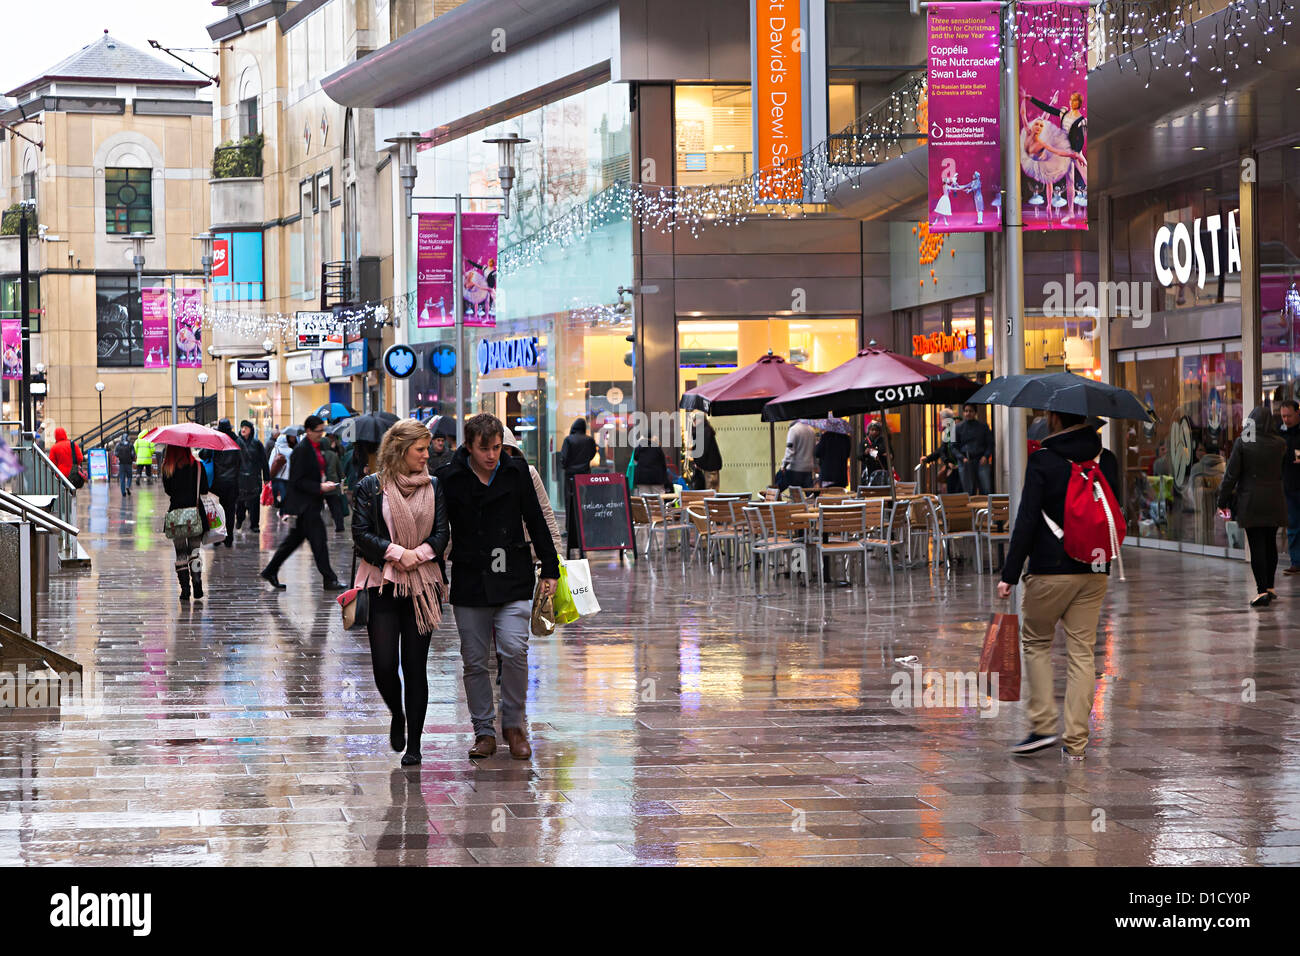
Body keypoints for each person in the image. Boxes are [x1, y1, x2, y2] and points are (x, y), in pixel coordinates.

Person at [435, 413, 559, 761]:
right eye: (485, 448)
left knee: (514, 649)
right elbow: (440, 529)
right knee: (474, 660)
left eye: (497, 447)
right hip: (471, 578)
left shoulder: (517, 472)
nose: (492, 455)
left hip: (513, 575)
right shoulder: (449, 477)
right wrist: (437, 574)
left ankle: (515, 726)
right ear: (469, 446)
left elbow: (536, 519)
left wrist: (551, 568)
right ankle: (484, 731)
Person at [997, 411, 1119, 760]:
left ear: (1054, 418)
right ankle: (1076, 743)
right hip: (1095, 567)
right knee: (1082, 652)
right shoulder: (1105, 460)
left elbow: (1027, 519)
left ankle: (1043, 725)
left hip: (1049, 570)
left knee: (1036, 642)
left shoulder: (1042, 461)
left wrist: (1009, 574)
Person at [352, 420, 448, 766]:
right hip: (382, 584)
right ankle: (397, 712)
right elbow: (360, 534)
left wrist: (416, 556)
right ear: (399, 450)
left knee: (415, 667)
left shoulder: (435, 486)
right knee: (384, 667)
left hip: (423, 586)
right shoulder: (371, 487)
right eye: (420, 449)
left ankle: (415, 745)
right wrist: (397, 553)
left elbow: (441, 534)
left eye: (427, 448)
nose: (427, 455)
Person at [260, 416, 344, 591]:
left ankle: (270, 570)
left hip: (311, 503)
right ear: (308, 431)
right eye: (318, 431)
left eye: (322, 430)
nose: (321, 434)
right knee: (318, 542)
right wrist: (319, 486)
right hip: (305, 505)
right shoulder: (302, 450)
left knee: (294, 541)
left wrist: (322, 484)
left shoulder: (316, 448)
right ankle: (329, 579)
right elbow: (297, 480)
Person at [1217, 405, 1287, 607]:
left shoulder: (1243, 443)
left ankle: (1261, 591)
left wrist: (1222, 500)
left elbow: (1231, 475)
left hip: (1252, 499)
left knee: (1256, 545)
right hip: (1275, 498)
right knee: (1270, 542)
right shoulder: (1280, 444)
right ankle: (1271, 586)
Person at [503, 426, 562, 557]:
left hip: (529, 555)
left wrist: (556, 554)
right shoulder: (481, 479)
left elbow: (546, 513)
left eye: (505, 449)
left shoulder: (528, 474)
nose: (500, 454)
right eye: (495, 448)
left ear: (513, 450)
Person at [162, 443, 209, 601]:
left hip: (176, 516)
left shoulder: (168, 467)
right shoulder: (197, 466)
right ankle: (197, 583)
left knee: (181, 553)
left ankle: (185, 590)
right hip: (195, 514)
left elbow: (168, 491)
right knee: (195, 552)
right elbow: (204, 489)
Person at [200, 419, 241, 550]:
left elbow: (202, 454)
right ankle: (229, 538)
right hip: (232, 482)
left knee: (217, 510)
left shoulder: (215, 440)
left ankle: (217, 537)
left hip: (217, 483)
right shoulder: (236, 441)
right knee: (230, 510)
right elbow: (242, 461)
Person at [559, 418, 597, 558]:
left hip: (570, 475)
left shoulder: (569, 440)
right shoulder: (589, 440)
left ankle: (570, 529)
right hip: (585, 475)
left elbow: (564, 457)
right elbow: (593, 453)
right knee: (584, 501)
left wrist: (566, 466)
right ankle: (584, 528)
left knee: (570, 503)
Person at [235, 420, 271, 533]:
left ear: (251, 430)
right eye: (242, 427)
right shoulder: (236, 442)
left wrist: (266, 477)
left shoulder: (257, 444)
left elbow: (264, 461)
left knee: (255, 502)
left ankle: (254, 524)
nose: (243, 429)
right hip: (240, 478)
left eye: (246, 427)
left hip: (254, 477)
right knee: (240, 502)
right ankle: (240, 519)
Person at [1279, 400, 1300, 574]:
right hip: (1289, 485)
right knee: (1292, 525)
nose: (1286, 419)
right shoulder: (1280, 433)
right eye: (1283, 416)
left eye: (1289, 416)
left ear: (1297, 413)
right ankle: (1296, 562)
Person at [920, 408, 962, 493]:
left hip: (955, 466)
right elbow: (942, 449)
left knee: (954, 492)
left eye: (941, 419)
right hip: (954, 465)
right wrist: (928, 458)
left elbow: (945, 450)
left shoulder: (951, 430)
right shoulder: (951, 429)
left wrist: (949, 462)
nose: (940, 421)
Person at [956, 403, 993, 495]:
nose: (968, 413)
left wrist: (985, 456)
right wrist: (962, 458)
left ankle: (985, 508)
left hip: (980, 459)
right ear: (963, 413)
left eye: (971, 411)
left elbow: (990, 444)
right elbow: (953, 447)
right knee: (968, 490)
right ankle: (971, 509)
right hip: (965, 460)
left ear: (975, 412)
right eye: (966, 411)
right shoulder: (958, 427)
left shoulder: (983, 426)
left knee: (986, 488)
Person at [777, 419, 816, 491]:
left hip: (795, 468)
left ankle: (769, 499)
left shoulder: (793, 430)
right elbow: (814, 451)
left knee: (776, 486)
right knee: (809, 495)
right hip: (808, 469)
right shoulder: (811, 430)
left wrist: (784, 465)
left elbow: (790, 450)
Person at [689, 414, 723, 490]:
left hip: (709, 467)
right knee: (713, 491)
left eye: (695, 420)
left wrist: (698, 463)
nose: (694, 422)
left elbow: (702, 450)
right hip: (711, 466)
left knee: (710, 492)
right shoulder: (705, 430)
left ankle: (711, 502)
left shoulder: (704, 431)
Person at [814, 421, 851, 488]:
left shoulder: (825, 437)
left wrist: (817, 444)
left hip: (827, 476)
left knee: (827, 496)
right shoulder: (846, 438)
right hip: (841, 476)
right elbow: (848, 454)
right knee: (840, 496)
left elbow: (817, 453)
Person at [322, 433, 347, 533]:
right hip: (333, 484)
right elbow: (339, 470)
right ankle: (339, 526)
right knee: (335, 507)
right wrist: (342, 478)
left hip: (321, 484)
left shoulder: (317, 454)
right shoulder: (333, 455)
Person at [268, 430, 297, 509]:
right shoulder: (290, 450)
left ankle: (276, 502)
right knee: (284, 490)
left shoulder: (276, 450)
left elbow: (271, 462)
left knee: (274, 489)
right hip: (286, 474)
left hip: (275, 473)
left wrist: (269, 472)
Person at [861, 420, 891, 487]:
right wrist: (865, 453)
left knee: (882, 486)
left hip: (881, 468)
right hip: (869, 469)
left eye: (876, 430)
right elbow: (859, 456)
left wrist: (886, 455)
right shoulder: (865, 442)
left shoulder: (884, 441)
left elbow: (891, 454)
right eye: (872, 430)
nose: (874, 432)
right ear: (869, 431)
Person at [114, 432, 135, 497]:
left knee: (122, 479)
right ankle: (128, 486)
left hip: (121, 464)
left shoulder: (119, 444)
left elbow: (116, 454)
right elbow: (133, 454)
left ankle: (123, 493)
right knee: (129, 477)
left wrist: (120, 456)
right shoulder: (130, 445)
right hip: (128, 464)